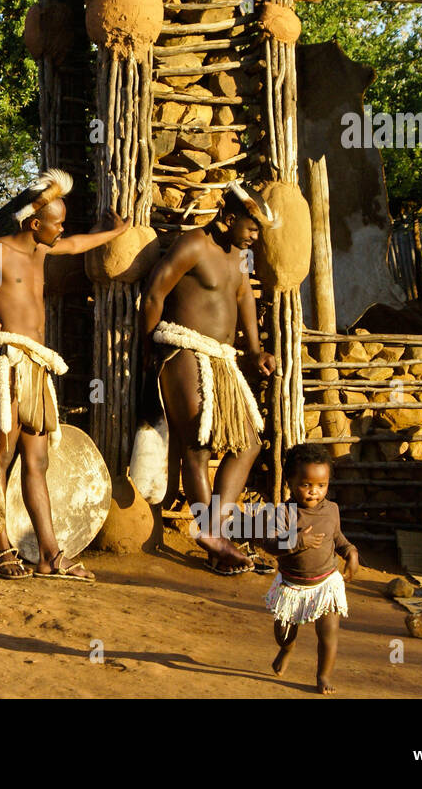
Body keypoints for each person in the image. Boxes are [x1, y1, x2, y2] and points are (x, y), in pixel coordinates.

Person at [0, 169, 129, 581]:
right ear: (35, 224)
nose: (62, 229)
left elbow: (76, 244)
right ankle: (0, 547)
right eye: (57, 222)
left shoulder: (41, 250)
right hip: (4, 361)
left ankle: (50, 556)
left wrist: (113, 232)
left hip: (36, 365)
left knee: (36, 460)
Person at [138, 183, 276, 575]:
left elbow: (244, 295)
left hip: (223, 359)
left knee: (248, 443)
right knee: (197, 443)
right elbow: (154, 294)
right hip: (183, 348)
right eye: (251, 228)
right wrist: (150, 349)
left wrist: (254, 349)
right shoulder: (193, 245)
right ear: (229, 218)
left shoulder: (239, 256)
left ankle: (214, 534)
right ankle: (215, 545)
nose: (254, 236)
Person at [262, 443, 358, 695]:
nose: (314, 492)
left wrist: (351, 553)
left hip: (326, 584)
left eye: (321, 485)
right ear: (290, 483)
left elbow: (338, 539)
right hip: (292, 586)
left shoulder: (332, 510)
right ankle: (287, 648)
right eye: (306, 485)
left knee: (328, 634)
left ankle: (323, 676)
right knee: (282, 633)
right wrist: (296, 540)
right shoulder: (282, 513)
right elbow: (270, 544)